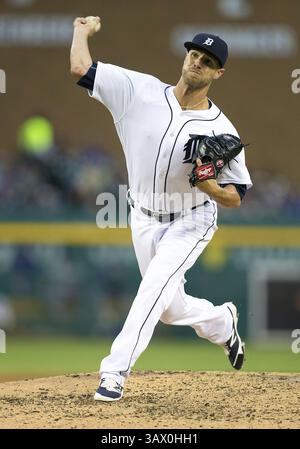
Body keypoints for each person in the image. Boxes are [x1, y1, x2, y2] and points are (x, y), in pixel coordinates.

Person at [70, 17, 252, 402]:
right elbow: (81, 69)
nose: (197, 61)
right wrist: (80, 32)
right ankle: (222, 322)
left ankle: (114, 372)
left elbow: (236, 196)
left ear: (219, 72)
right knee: (168, 307)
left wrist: (210, 187)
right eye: (194, 53)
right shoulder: (140, 91)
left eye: (207, 60)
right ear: (186, 56)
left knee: (152, 288)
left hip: (193, 218)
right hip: (143, 217)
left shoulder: (223, 130)